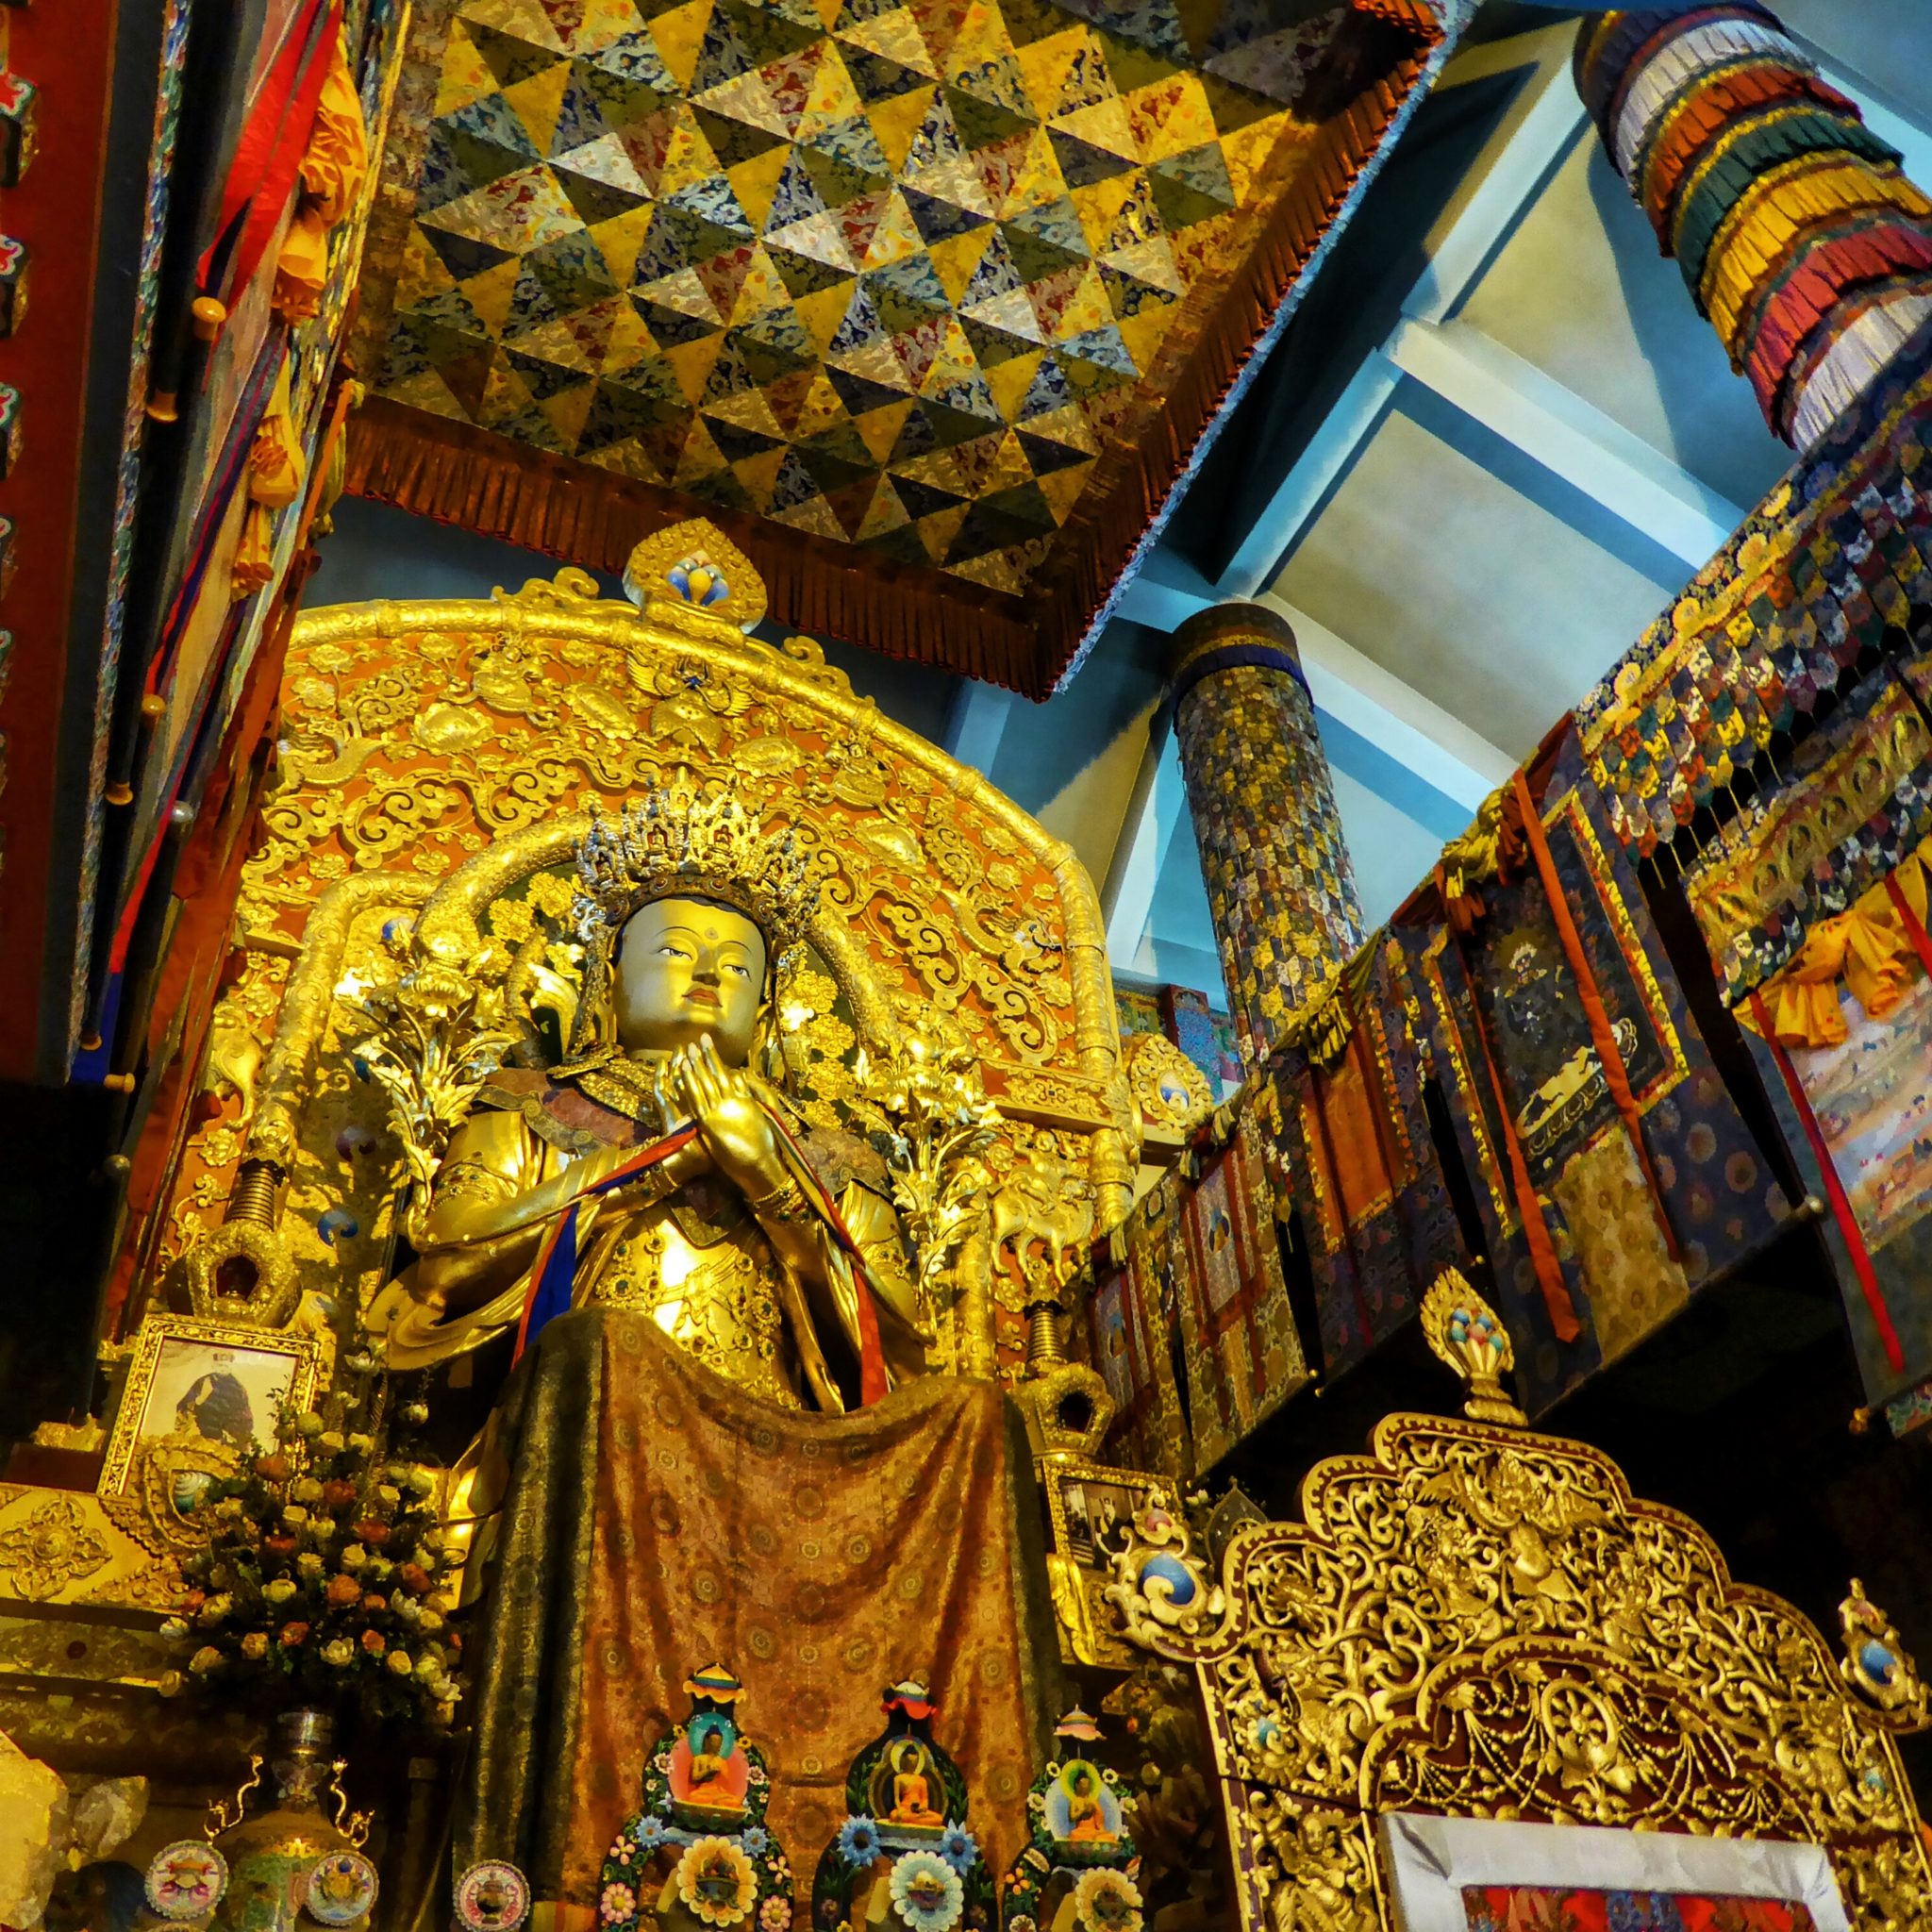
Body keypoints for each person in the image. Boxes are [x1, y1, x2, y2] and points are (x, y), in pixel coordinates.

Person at [380, 784, 931, 1412]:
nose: (708, 973)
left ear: (765, 1012)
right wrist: (659, 1168)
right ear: (610, 979)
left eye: (738, 968)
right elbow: (445, 1271)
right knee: (613, 1341)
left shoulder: (828, 1155)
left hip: (775, 1432)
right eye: (675, 951)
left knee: (971, 1409)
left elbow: (901, 1360)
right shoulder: (531, 1107)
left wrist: (770, 1179)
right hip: (594, 1412)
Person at [888, 1744, 943, 1828]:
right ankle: (915, 1820)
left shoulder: (922, 1780)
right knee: (893, 1815)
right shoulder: (898, 1778)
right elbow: (896, 1798)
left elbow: (925, 1799)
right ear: (904, 1761)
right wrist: (899, 1809)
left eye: (915, 1762)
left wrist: (923, 1808)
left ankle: (912, 1820)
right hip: (904, 1809)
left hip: (918, 1811)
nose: (913, 1764)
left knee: (938, 1819)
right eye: (910, 1762)